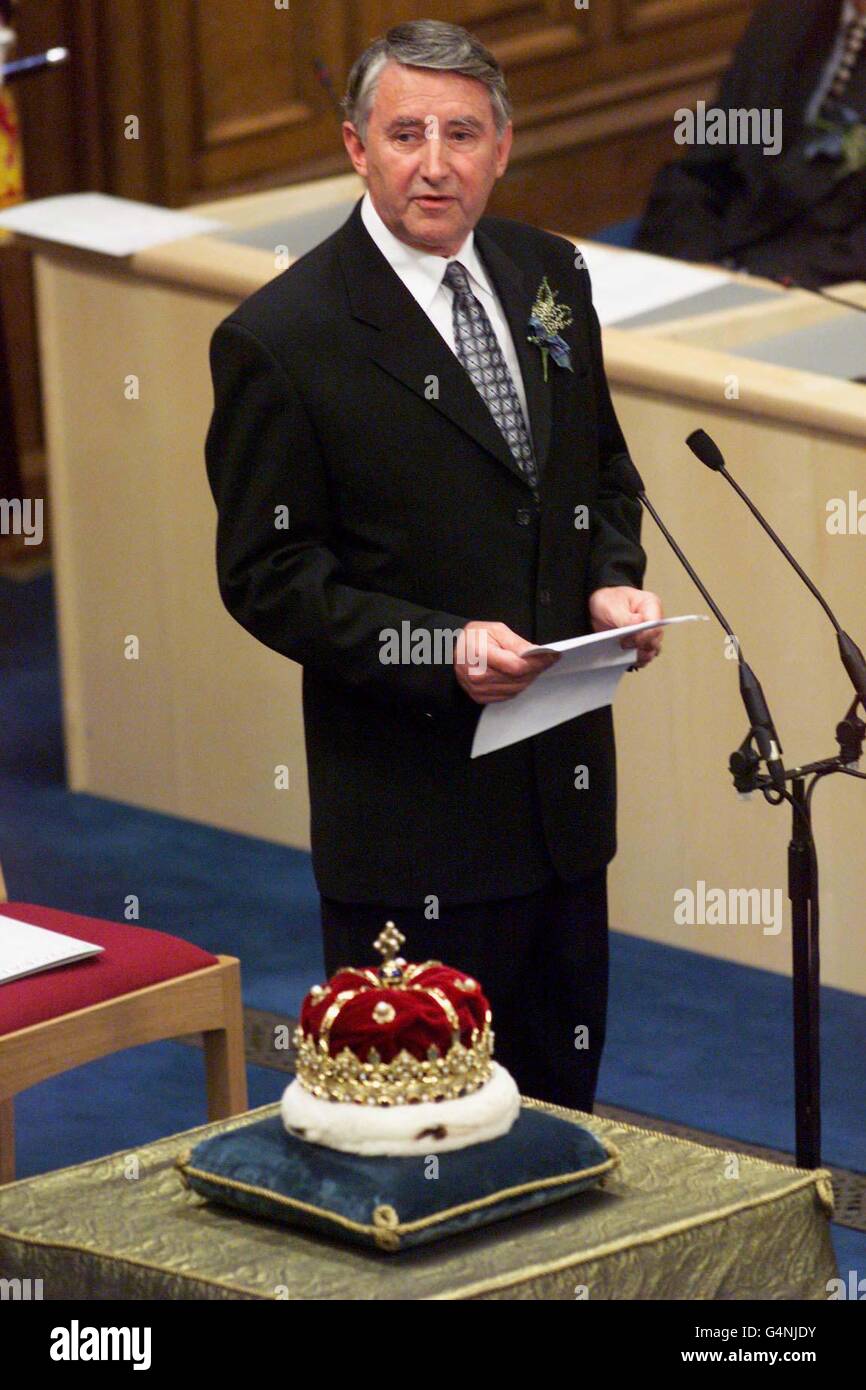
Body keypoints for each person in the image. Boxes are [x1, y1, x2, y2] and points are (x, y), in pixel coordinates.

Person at [205, 19, 663, 1113]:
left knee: (558, 1124)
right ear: (355, 148)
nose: (434, 161)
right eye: (403, 132)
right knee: (419, 1146)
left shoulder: (549, 276)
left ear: (501, 146)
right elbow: (267, 573)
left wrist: (610, 572)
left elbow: (598, 470)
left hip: (560, 807)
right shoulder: (284, 337)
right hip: (411, 822)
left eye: (461, 133)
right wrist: (433, 647)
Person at [635, 0, 866, 288]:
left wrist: (748, 279)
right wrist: (690, 263)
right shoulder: (787, 13)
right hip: (721, 254)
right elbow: (705, 164)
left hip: (814, 280)